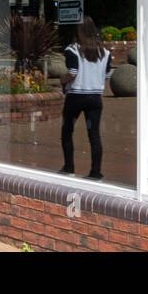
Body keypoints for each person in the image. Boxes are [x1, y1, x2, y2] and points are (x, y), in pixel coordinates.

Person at [59, 16, 113, 180]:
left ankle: (69, 167)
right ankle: (96, 172)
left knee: (67, 131)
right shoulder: (104, 52)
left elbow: (73, 73)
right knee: (94, 135)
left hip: (76, 96)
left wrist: (62, 80)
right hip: (95, 97)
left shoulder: (72, 49)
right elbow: (108, 74)